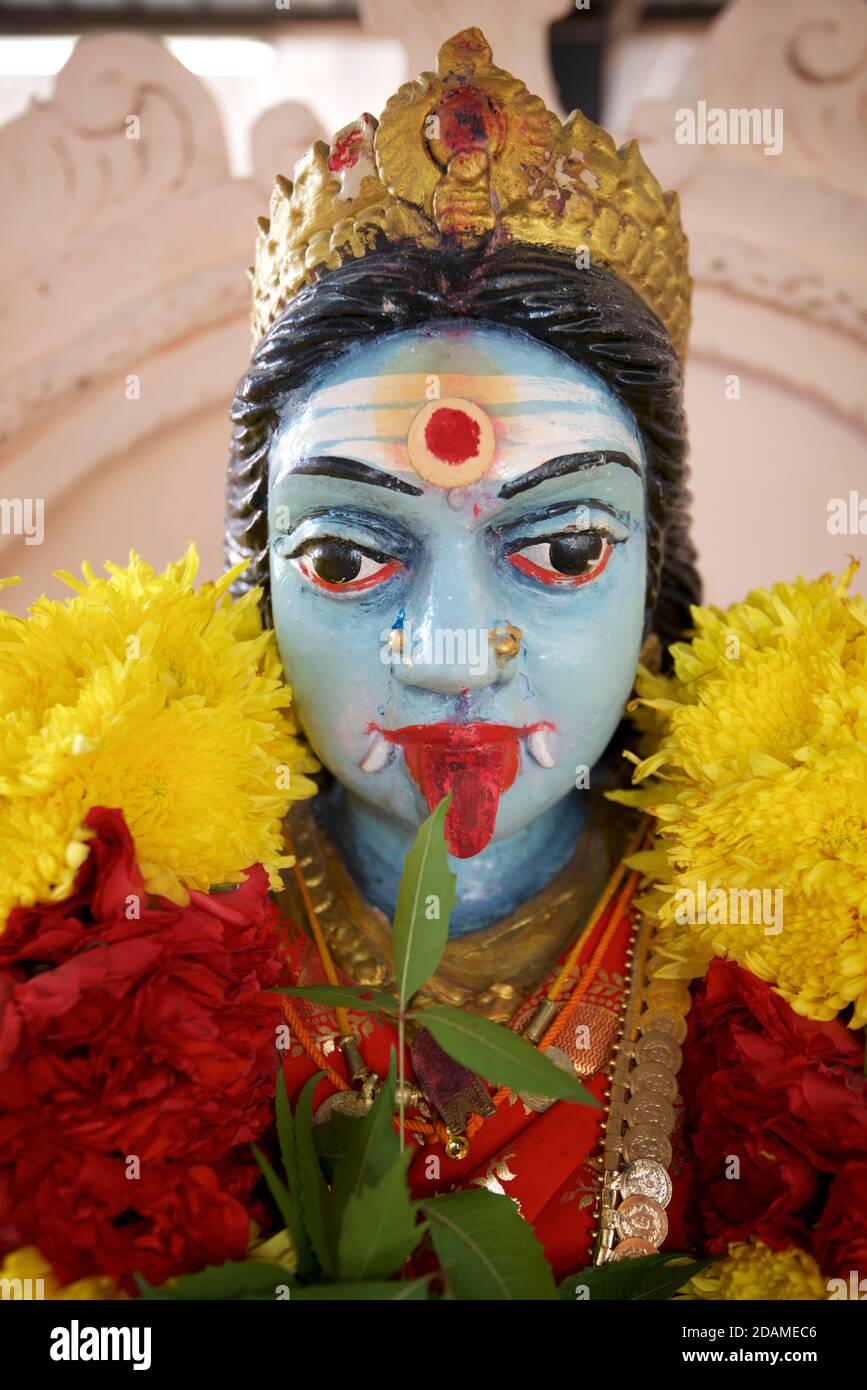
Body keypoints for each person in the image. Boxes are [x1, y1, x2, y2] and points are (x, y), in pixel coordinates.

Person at [225, 27, 699, 1275]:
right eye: (342, 559)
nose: (446, 655)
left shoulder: (797, 950)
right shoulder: (125, 947)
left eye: (563, 551)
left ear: (660, 580)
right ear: (255, 583)